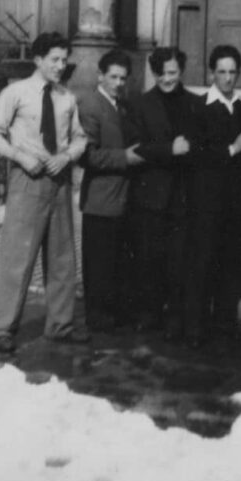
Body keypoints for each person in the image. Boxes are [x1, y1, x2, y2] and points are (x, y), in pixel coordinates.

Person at [0, 32, 90, 354]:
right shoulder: (15, 93)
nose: (61, 66)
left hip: (58, 182)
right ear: (38, 59)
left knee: (61, 259)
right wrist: (20, 156)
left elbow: (80, 139)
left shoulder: (66, 98)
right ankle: (1, 329)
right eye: (55, 59)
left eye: (64, 60)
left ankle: (60, 325)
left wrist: (66, 157)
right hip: (27, 181)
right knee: (17, 258)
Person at [125, 47, 199, 337]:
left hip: (183, 195)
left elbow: (202, 144)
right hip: (151, 194)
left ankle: (175, 318)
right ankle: (150, 314)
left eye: (173, 73)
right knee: (149, 259)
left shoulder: (195, 103)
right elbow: (136, 145)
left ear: (181, 72)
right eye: (162, 74)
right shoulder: (140, 104)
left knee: (179, 261)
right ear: (154, 74)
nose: (168, 79)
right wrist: (170, 149)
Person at [182, 45, 241, 348]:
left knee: (230, 264)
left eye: (232, 72)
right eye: (221, 72)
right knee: (201, 265)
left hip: (235, 201)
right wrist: (233, 149)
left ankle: (225, 327)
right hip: (205, 201)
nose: (227, 78)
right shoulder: (198, 107)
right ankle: (195, 330)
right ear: (212, 73)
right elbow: (195, 153)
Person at [75, 49, 144, 332]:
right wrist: (124, 158)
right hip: (100, 200)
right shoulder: (91, 105)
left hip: (122, 198)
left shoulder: (122, 106)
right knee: (99, 265)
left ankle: (114, 316)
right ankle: (98, 319)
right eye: (113, 77)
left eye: (123, 78)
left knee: (117, 263)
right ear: (100, 76)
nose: (118, 83)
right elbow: (86, 155)